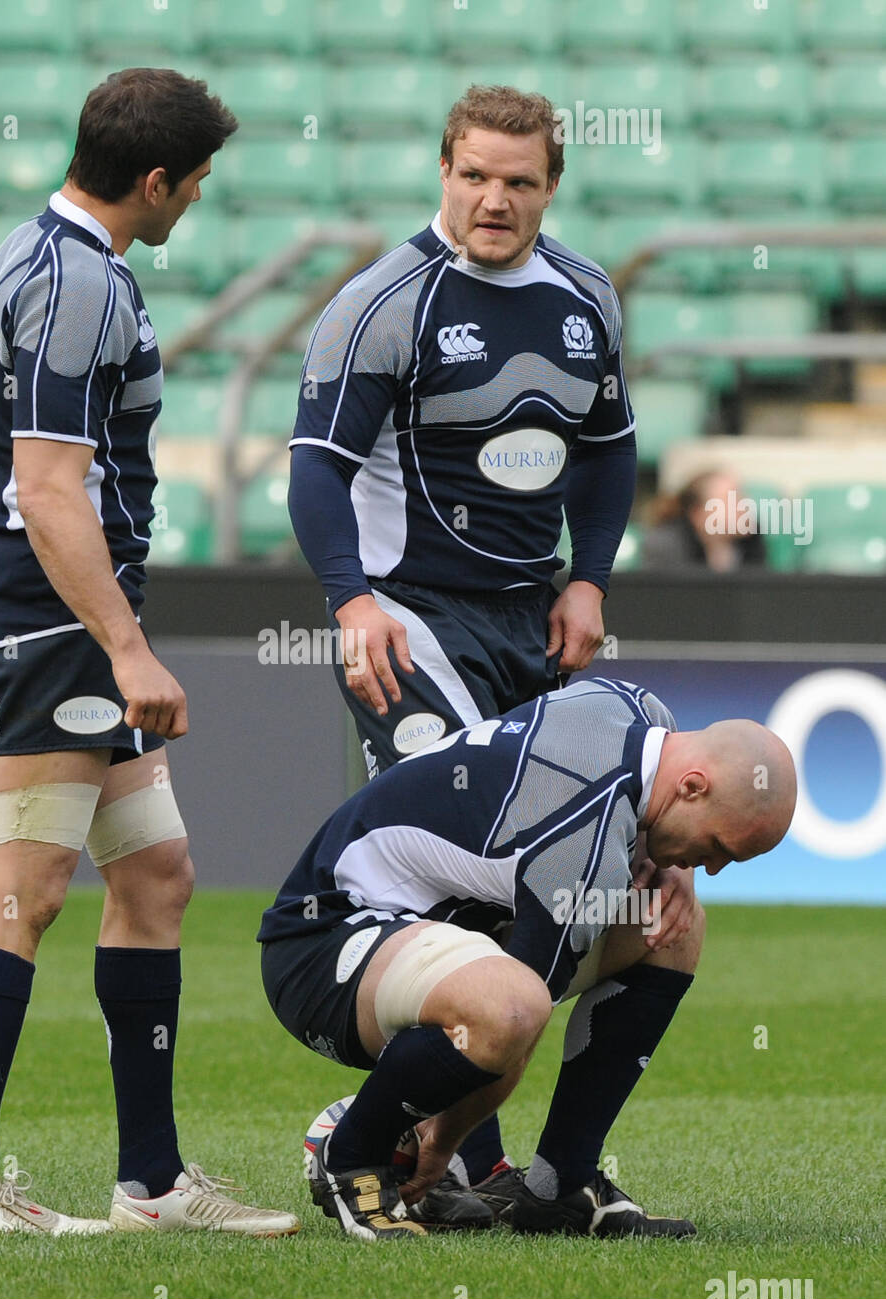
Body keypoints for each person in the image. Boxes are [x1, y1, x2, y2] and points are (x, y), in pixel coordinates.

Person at [0, 69, 297, 1237]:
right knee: (20, 896)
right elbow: (45, 488)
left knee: (154, 876)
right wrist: (126, 648)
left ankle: (151, 1183)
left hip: (62, 614)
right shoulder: (81, 280)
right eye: (192, 182)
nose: (194, 199)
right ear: (153, 180)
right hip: (55, 621)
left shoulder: (34, 251)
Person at [286, 83, 674, 1215]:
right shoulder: (380, 302)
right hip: (408, 622)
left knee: (606, 886)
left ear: (551, 186)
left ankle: (548, 1174)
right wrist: (351, 602)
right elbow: (315, 466)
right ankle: (433, 1146)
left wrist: (589, 574)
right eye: (473, 175)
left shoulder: (584, 293)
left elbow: (606, 451)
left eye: (517, 181)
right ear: (442, 171)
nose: (492, 199)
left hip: (528, 622)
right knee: (475, 860)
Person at [258, 678, 796, 1240]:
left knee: (667, 926)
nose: (710, 868)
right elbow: (518, 1025)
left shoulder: (634, 705)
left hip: (427, 929)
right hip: (321, 946)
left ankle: (559, 1186)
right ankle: (350, 1153)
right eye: (716, 849)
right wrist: (443, 1147)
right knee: (512, 1007)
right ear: (690, 786)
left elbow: (646, 791)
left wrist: (675, 866)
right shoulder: (582, 852)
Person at [642, 469, 768, 571]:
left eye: (741, 497)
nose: (743, 506)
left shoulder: (752, 543)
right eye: (729, 500)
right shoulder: (666, 546)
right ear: (697, 513)